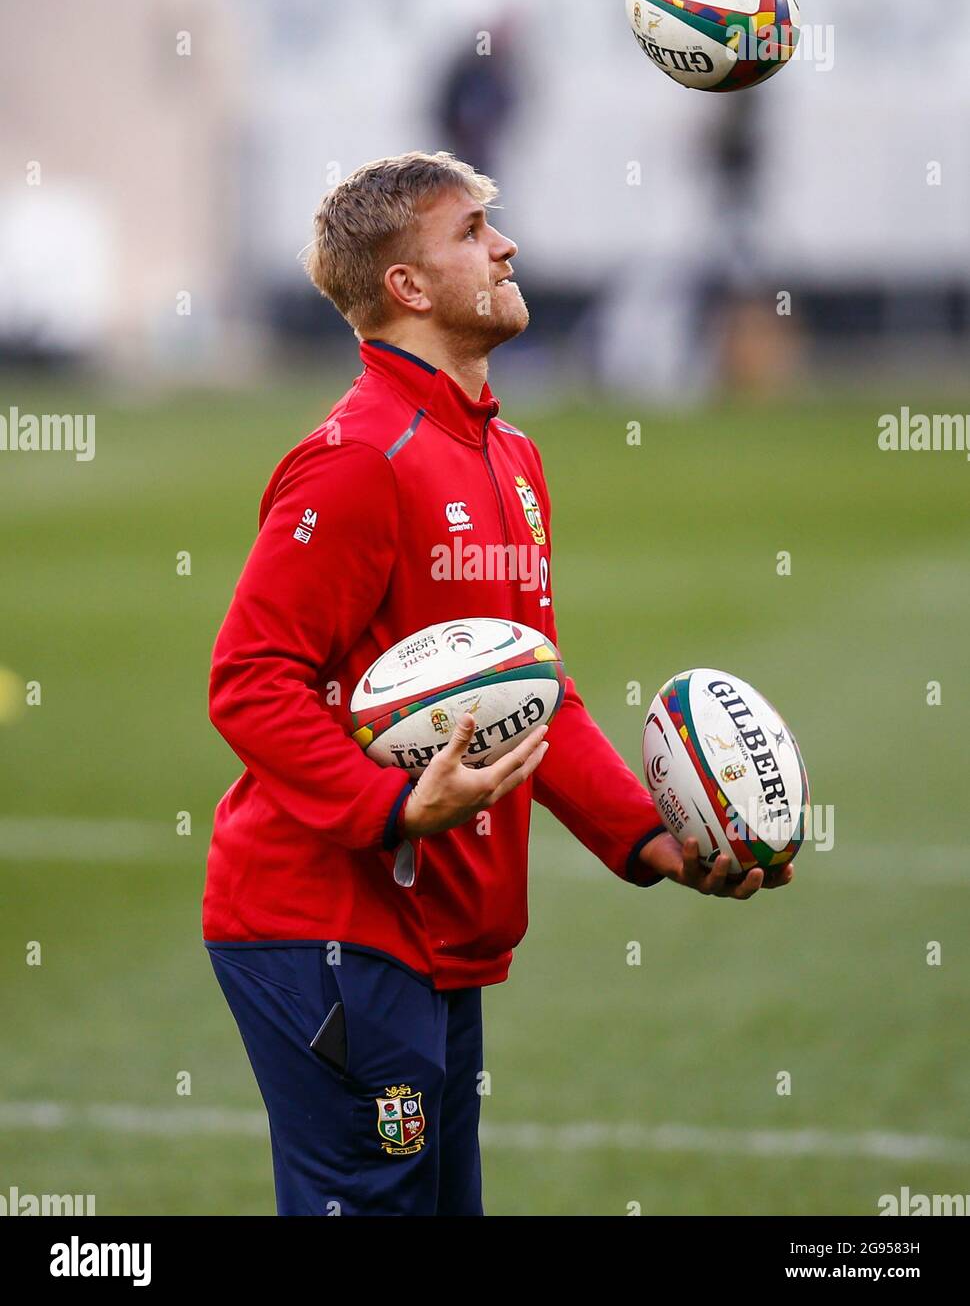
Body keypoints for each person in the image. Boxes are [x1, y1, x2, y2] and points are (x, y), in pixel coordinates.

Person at [202, 150, 793, 1217]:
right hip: (329, 925)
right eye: (473, 230)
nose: (506, 244)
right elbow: (249, 681)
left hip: (443, 931)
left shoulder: (510, 455)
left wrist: (649, 840)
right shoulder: (355, 460)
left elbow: (538, 690)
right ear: (408, 288)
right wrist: (389, 806)